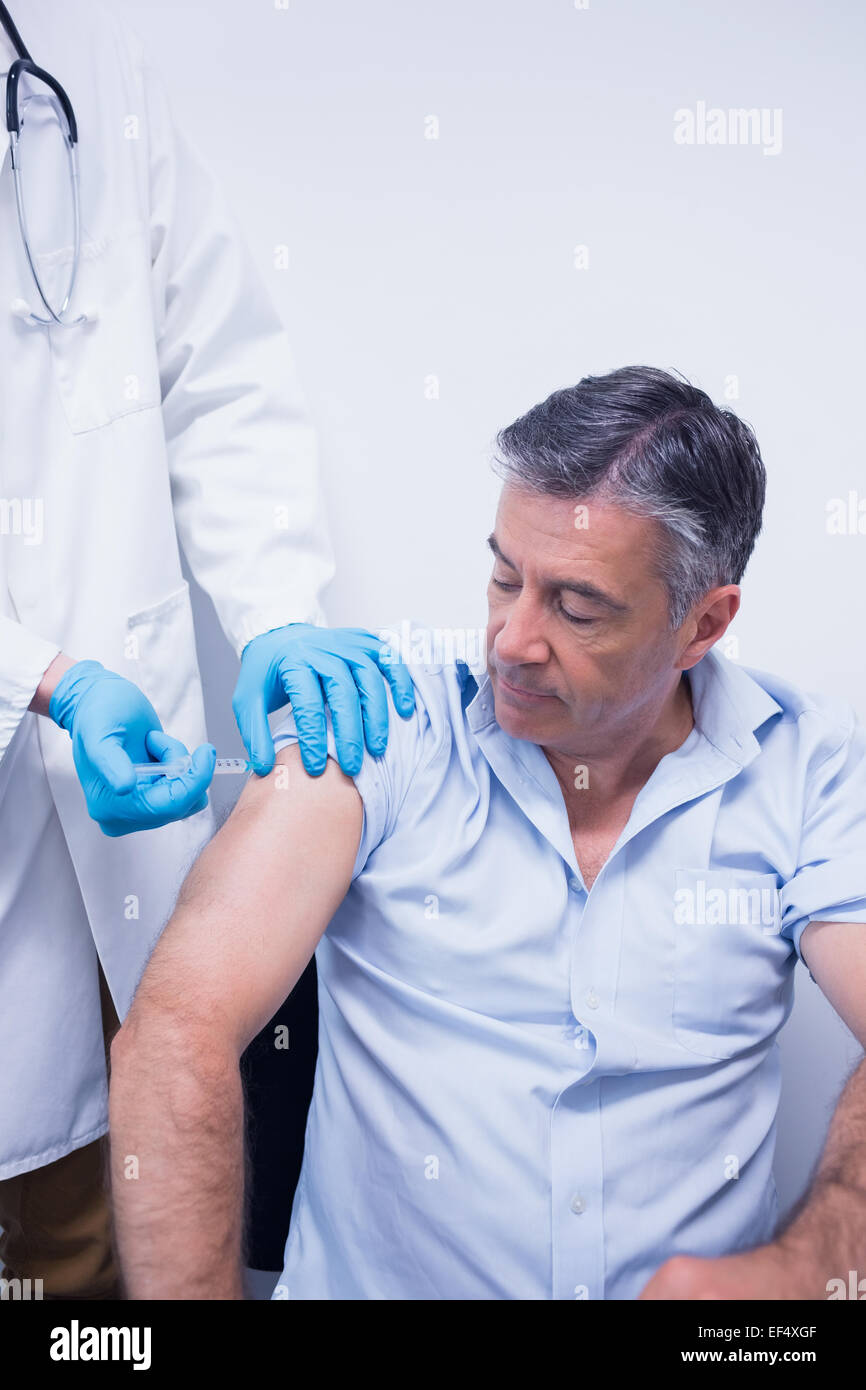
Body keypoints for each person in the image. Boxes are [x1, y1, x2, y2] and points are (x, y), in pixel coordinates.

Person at [110, 366, 866, 1300]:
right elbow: (178, 1026)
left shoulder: (811, 767)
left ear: (702, 623)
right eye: (505, 577)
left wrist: (813, 1261)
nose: (511, 639)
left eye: (577, 606)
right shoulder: (381, 721)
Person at [0, 0, 413, 1299]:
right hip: (45, 730)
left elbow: (219, 373)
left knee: (89, 1227)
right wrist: (38, 676)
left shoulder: (79, 70)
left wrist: (281, 602)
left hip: (102, 861)